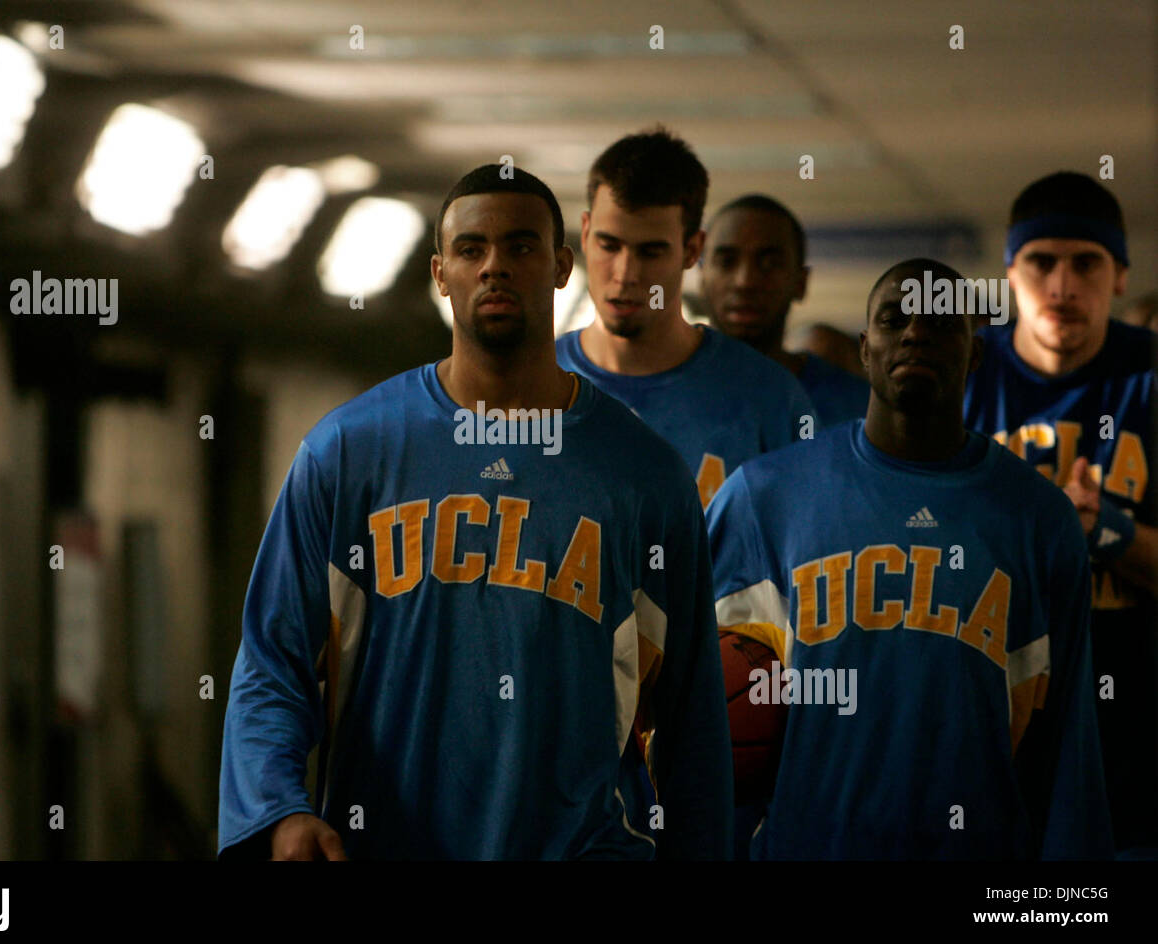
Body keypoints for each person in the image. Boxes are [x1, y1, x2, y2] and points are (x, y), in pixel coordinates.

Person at [218, 164, 733, 860]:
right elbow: (272, 663)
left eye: (521, 247)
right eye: (471, 249)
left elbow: (694, 718)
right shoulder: (347, 454)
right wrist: (279, 808)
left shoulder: (644, 476)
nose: (495, 267)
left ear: (559, 266)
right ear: (440, 272)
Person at [704, 258, 1113, 859]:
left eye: (942, 321)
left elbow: (1069, 750)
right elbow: (697, 714)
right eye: (895, 320)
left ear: (975, 354)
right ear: (866, 349)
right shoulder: (763, 497)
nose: (917, 332)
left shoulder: (1038, 516)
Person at [964, 171, 1157, 856]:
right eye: (1042, 261)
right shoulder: (961, 373)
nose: (1063, 285)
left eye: (1086, 263)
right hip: (987, 726)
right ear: (1011, 271)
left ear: (1121, 275)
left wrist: (1107, 531)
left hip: (1133, 733)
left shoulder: (1149, 378)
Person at [556, 129, 816, 512]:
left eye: (651, 251)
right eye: (609, 245)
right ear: (586, 231)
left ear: (692, 249)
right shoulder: (531, 383)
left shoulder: (768, 398)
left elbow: (802, 554)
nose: (625, 273)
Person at [702, 194, 870, 424]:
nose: (745, 281)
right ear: (701, 277)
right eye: (726, 262)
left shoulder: (858, 409)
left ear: (801, 283)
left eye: (769, 264)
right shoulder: (658, 395)